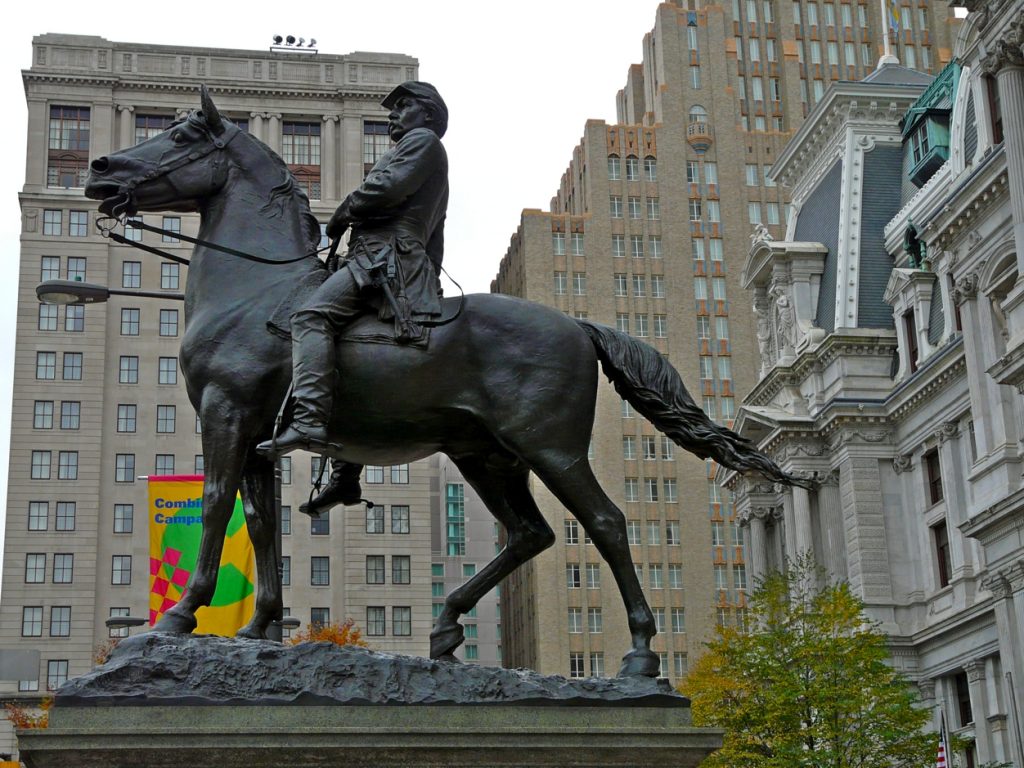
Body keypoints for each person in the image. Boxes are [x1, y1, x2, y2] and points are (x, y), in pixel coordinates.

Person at [257, 82, 449, 466]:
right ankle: (345, 474)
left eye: (403, 106)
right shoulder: (417, 148)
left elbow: (386, 189)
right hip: (379, 258)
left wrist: (345, 210)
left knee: (311, 318)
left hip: (384, 258)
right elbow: (436, 234)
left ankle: (309, 419)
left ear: (428, 113)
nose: (393, 114)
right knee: (349, 349)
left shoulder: (422, 141)